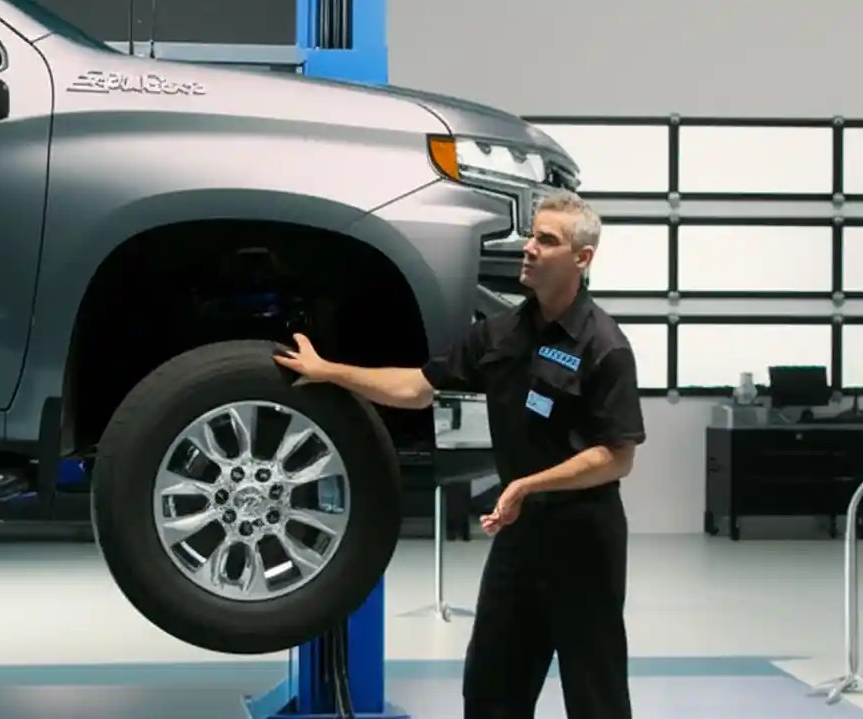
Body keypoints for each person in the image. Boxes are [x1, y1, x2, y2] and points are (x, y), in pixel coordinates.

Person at [273, 189, 645, 718]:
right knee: (491, 689)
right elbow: (416, 387)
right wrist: (330, 371)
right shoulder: (501, 333)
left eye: (547, 240)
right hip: (519, 536)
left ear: (582, 259)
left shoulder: (604, 347)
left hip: (584, 539)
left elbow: (616, 456)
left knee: (596, 694)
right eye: (530, 236)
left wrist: (527, 484)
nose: (530, 249)